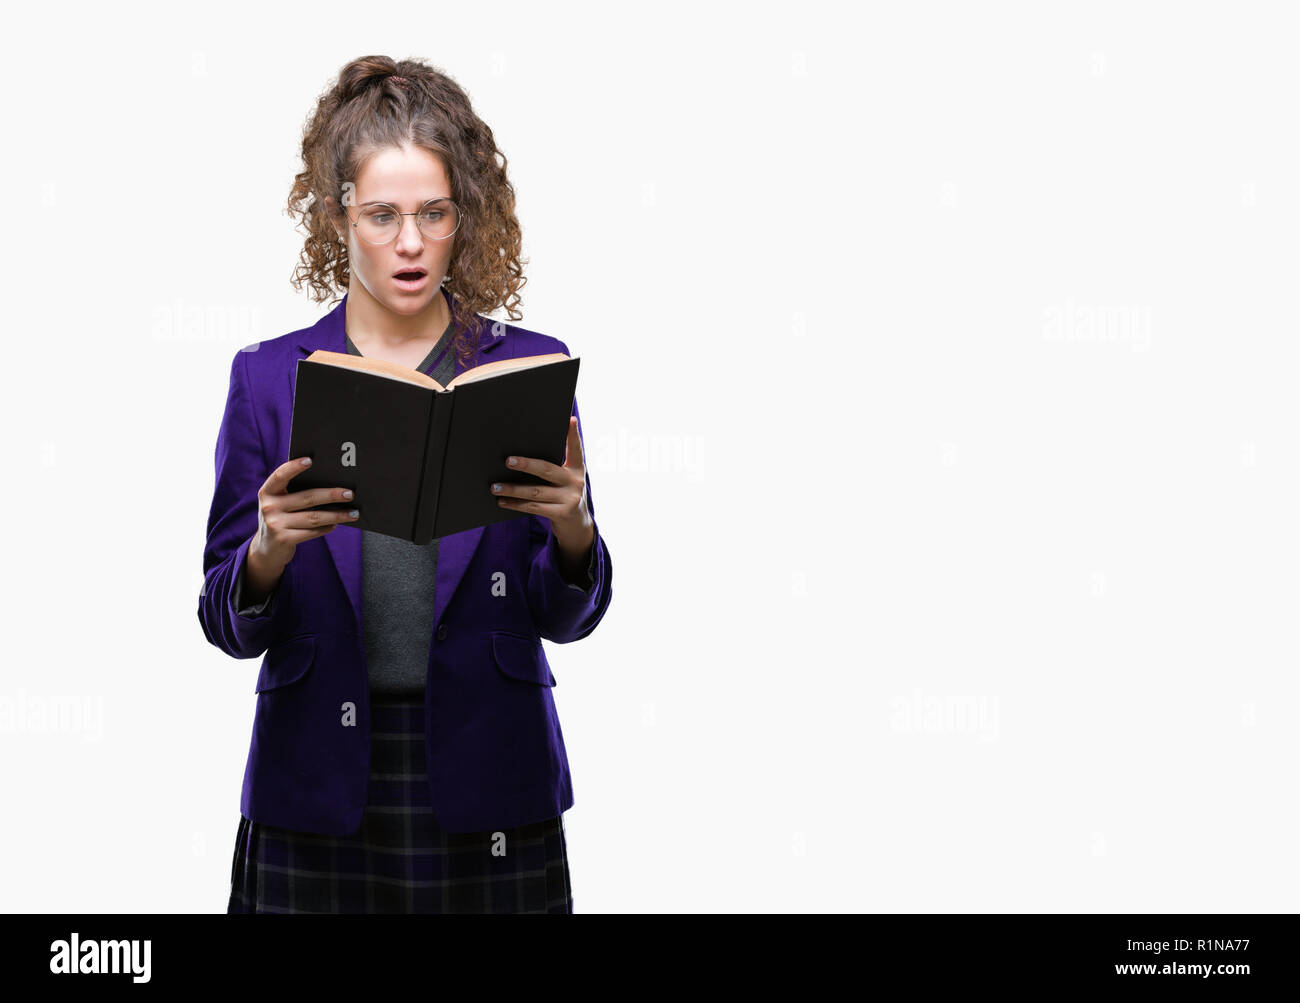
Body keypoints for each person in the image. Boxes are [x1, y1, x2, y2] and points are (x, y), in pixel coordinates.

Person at [198, 55, 613, 914]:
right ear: (339, 216)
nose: (412, 242)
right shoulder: (269, 378)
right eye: (382, 215)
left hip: (490, 776)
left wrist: (575, 532)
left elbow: (565, 616)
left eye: (434, 213)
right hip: (315, 780)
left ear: (467, 216)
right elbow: (223, 620)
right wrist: (267, 554)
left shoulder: (527, 369)